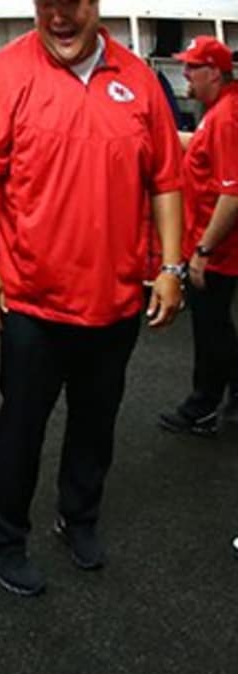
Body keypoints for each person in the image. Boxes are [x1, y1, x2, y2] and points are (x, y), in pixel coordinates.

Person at [0, 0, 184, 596]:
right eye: (46, 4)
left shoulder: (138, 80)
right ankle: (1, 540)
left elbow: (165, 180)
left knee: (95, 422)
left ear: (95, 4)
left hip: (114, 299)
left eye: (71, 4)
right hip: (32, 300)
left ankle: (77, 516)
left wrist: (172, 266)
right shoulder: (7, 72)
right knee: (20, 427)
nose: (58, 17)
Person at [157, 36, 238, 437]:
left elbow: (232, 192)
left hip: (219, 252)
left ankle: (202, 407)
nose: (184, 74)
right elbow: (199, 147)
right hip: (216, 247)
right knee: (220, 327)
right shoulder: (217, 111)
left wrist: (202, 251)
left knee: (210, 331)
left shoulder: (225, 117)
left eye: (192, 67)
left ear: (216, 72)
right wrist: (161, 133)